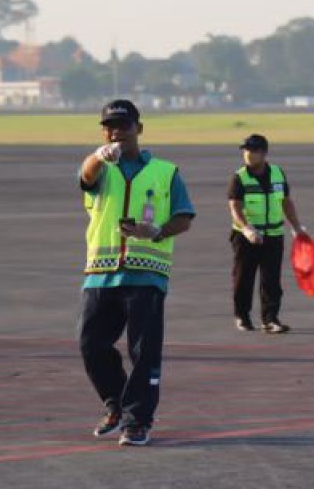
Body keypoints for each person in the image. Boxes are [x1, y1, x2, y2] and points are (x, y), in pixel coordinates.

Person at [78, 99, 196, 446]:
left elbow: (184, 218)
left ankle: (137, 420)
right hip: (101, 274)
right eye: (108, 126)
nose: (115, 133)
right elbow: (85, 176)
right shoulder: (100, 168)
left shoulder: (166, 172)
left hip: (146, 275)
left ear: (138, 130)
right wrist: (99, 156)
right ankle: (116, 403)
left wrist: (156, 231)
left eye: (123, 126)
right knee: (90, 344)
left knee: (144, 352)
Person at [227, 134, 310, 334]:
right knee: (243, 278)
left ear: (263, 153)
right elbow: (235, 208)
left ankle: (270, 319)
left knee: (271, 280)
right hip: (246, 237)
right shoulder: (239, 178)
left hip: (273, 234)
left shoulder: (277, 174)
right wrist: (247, 229)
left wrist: (297, 228)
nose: (247, 154)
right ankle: (242, 316)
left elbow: (286, 202)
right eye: (245, 150)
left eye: (252, 150)